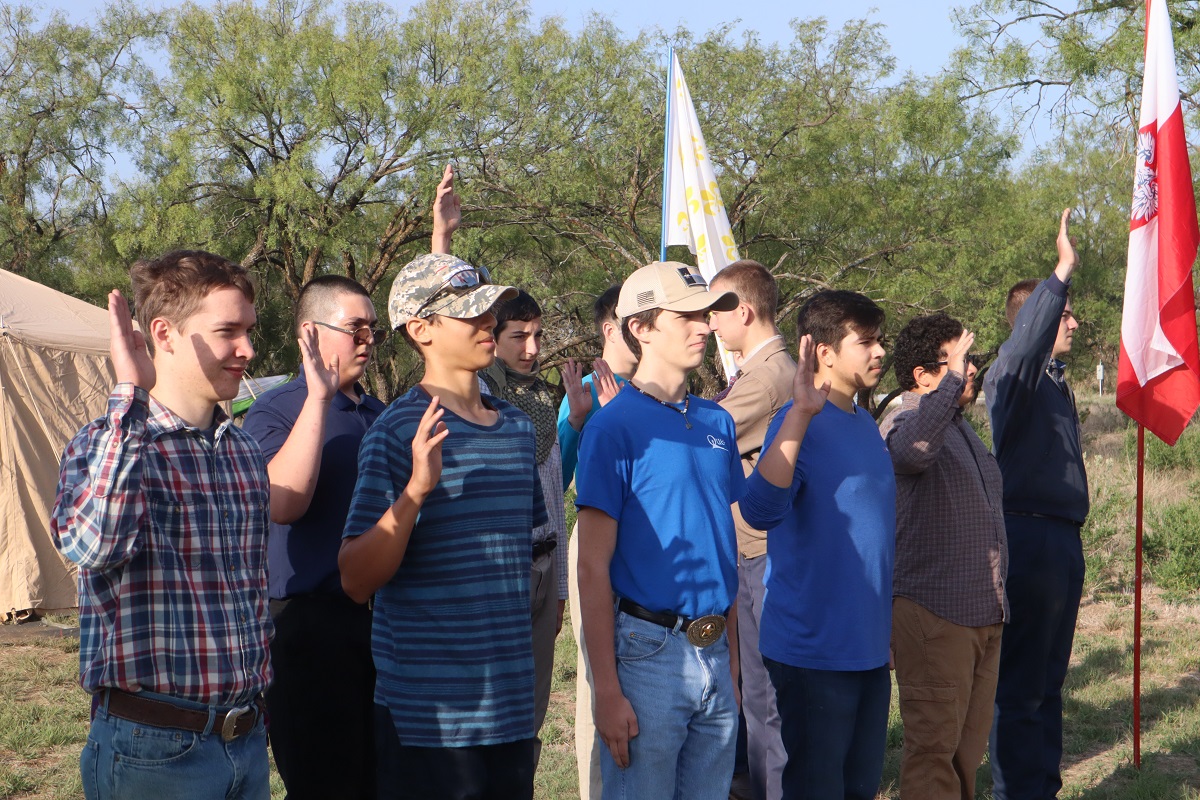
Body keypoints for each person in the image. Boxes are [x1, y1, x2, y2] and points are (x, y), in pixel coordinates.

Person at [51, 251, 271, 800]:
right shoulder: (109, 443)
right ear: (165, 334)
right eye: (228, 331)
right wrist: (130, 397)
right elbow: (90, 546)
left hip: (246, 741)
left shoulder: (243, 451)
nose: (247, 349)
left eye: (248, 330)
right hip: (152, 752)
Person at [339, 252, 546, 799]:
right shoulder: (397, 430)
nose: (488, 324)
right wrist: (415, 493)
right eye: (470, 314)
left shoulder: (519, 429)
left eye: (488, 311)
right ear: (421, 329)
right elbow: (356, 579)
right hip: (430, 719)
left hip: (511, 711)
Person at [575, 260, 743, 800]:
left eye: (708, 314)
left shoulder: (718, 421)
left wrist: (734, 661)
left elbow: (723, 544)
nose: (705, 326)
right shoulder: (612, 427)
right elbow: (592, 563)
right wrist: (605, 688)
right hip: (647, 656)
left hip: (716, 650)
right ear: (640, 328)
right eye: (688, 315)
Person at [739, 290, 895, 800]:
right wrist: (801, 415)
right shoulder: (796, 420)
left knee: (859, 789)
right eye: (866, 342)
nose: (880, 353)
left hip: (866, 650)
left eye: (880, 341)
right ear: (824, 351)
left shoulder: (865, 423)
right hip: (813, 654)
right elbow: (760, 510)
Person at [242, 276, 386, 799]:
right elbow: (283, 503)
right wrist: (318, 401)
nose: (368, 340)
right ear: (310, 333)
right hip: (308, 627)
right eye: (355, 328)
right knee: (326, 782)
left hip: (383, 626)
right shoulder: (276, 410)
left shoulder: (378, 414)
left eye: (374, 329)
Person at [879, 313, 1008, 800]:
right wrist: (950, 383)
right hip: (935, 616)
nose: (970, 369)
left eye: (969, 360)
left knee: (964, 757)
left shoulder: (960, 429)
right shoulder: (906, 417)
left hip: (981, 615)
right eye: (957, 361)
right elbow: (911, 453)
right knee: (934, 757)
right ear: (924, 375)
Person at [985, 209, 1088, 800]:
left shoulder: (1054, 379)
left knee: (1050, 682)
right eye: (1063, 312)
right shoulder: (1013, 374)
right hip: (1026, 537)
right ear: (1035, 319)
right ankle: (1014, 792)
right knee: (1022, 685)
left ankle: (1039, 788)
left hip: (1061, 540)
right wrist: (1062, 271)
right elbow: (1024, 345)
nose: (1072, 320)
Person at [707, 260, 795, 800]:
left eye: (716, 311)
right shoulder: (770, 369)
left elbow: (702, 434)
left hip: (760, 552)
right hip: (759, 549)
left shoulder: (764, 377)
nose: (709, 323)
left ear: (744, 310)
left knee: (764, 695)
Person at [477, 289, 569, 766]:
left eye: (536, 335)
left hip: (543, 568)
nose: (532, 349)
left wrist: (559, 591)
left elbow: (555, 491)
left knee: (530, 716)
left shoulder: (540, 396)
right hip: (499, 572)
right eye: (518, 337)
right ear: (488, 337)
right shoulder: (479, 395)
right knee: (492, 716)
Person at [557, 285, 634, 800]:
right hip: (599, 540)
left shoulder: (657, 390)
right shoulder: (582, 390)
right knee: (598, 674)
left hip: (650, 544)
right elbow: (555, 474)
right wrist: (585, 419)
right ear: (611, 328)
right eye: (636, 318)